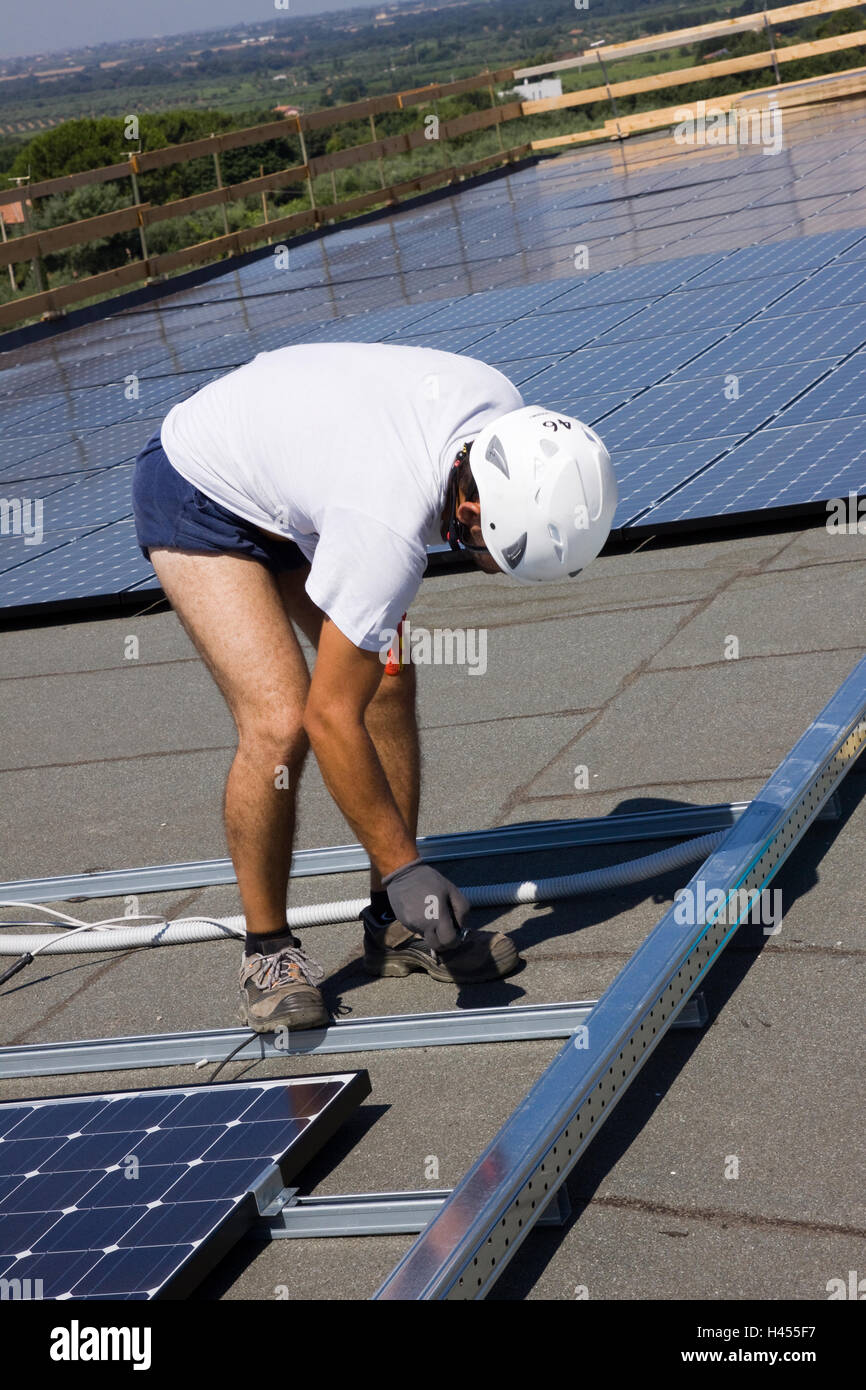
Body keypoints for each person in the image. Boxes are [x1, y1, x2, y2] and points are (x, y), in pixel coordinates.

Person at [131, 341, 617, 1032]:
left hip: (300, 471)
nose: (485, 568)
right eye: (490, 554)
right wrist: (405, 865)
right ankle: (268, 952)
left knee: (386, 682)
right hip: (200, 486)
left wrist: (399, 882)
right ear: (473, 506)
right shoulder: (386, 528)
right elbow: (331, 717)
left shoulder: (509, 418)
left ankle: (391, 927)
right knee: (283, 720)